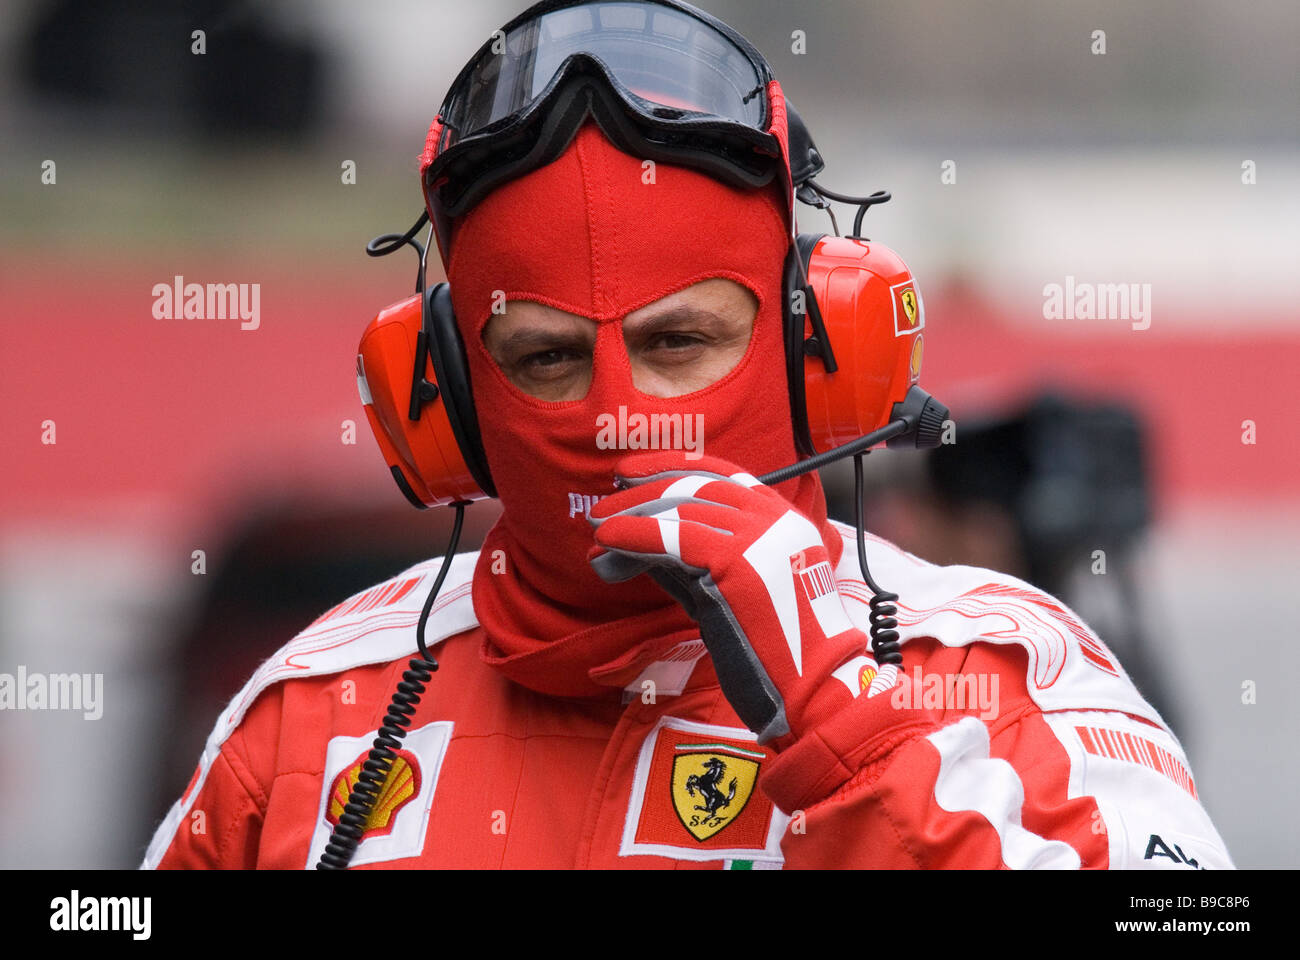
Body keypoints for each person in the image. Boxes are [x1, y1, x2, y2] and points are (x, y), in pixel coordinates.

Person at [142, 0, 1232, 870]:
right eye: (547, 358)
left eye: (680, 343)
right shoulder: (310, 713)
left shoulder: (1006, 670)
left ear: (820, 353)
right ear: (449, 399)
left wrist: (847, 736)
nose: (620, 413)